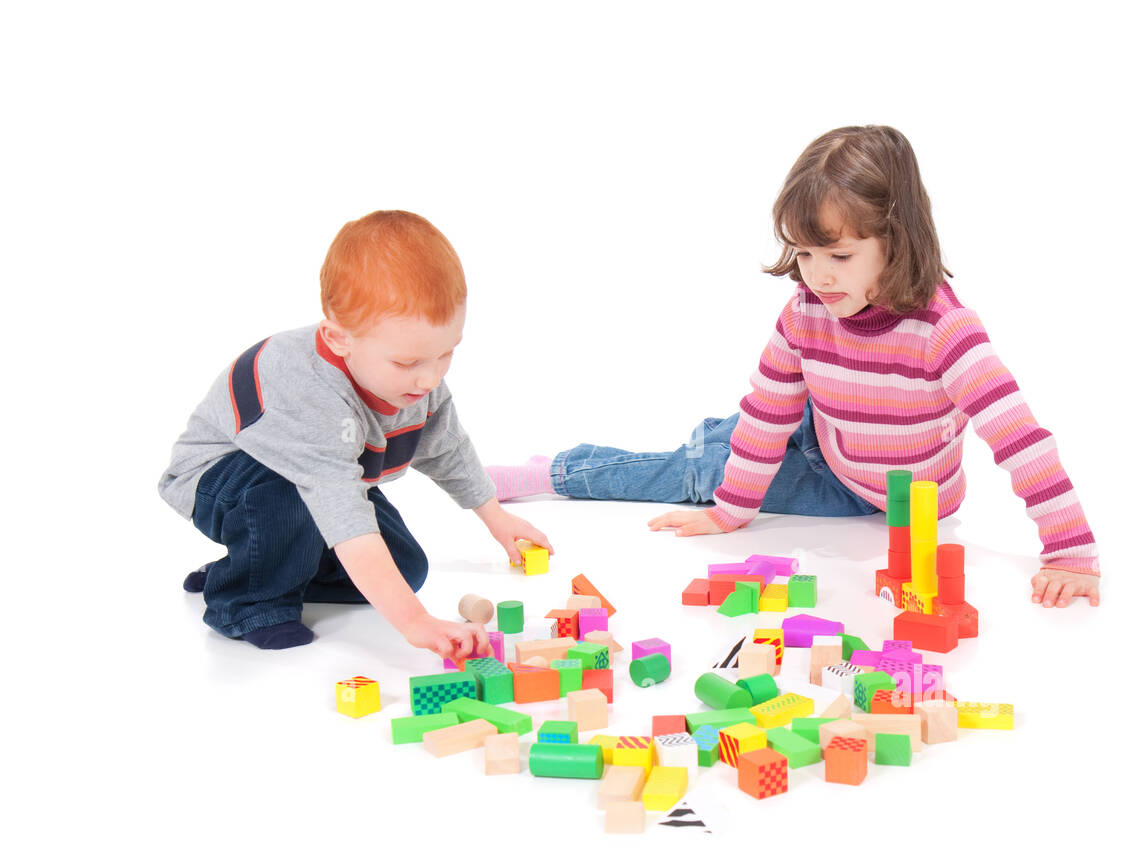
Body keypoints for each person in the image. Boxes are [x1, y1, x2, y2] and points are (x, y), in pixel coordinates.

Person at [487, 126, 1098, 608]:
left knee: (702, 466)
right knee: (730, 448)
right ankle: (569, 471)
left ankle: (562, 473)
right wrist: (732, 511)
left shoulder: (946, 333)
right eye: (804, 253)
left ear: (898, 239)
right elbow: (770, 408)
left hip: (868, 493)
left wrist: (1070, 552)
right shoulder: (805, 309)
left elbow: (1022, 443)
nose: (817, 274)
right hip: (822, 433)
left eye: (839, 254)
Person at [159, 210, 552, 652]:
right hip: (224, 479)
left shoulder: (419, 381)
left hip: (323, 480)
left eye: (446, 353)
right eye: (408, 363)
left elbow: (448, 449)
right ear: (339, 338)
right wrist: (415, 623)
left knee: (404, 569)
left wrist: (496, 517)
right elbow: (342, 513)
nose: (429, 379)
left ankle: (257, 564)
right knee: (285, 498)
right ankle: (247, 600)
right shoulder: (304, 388)